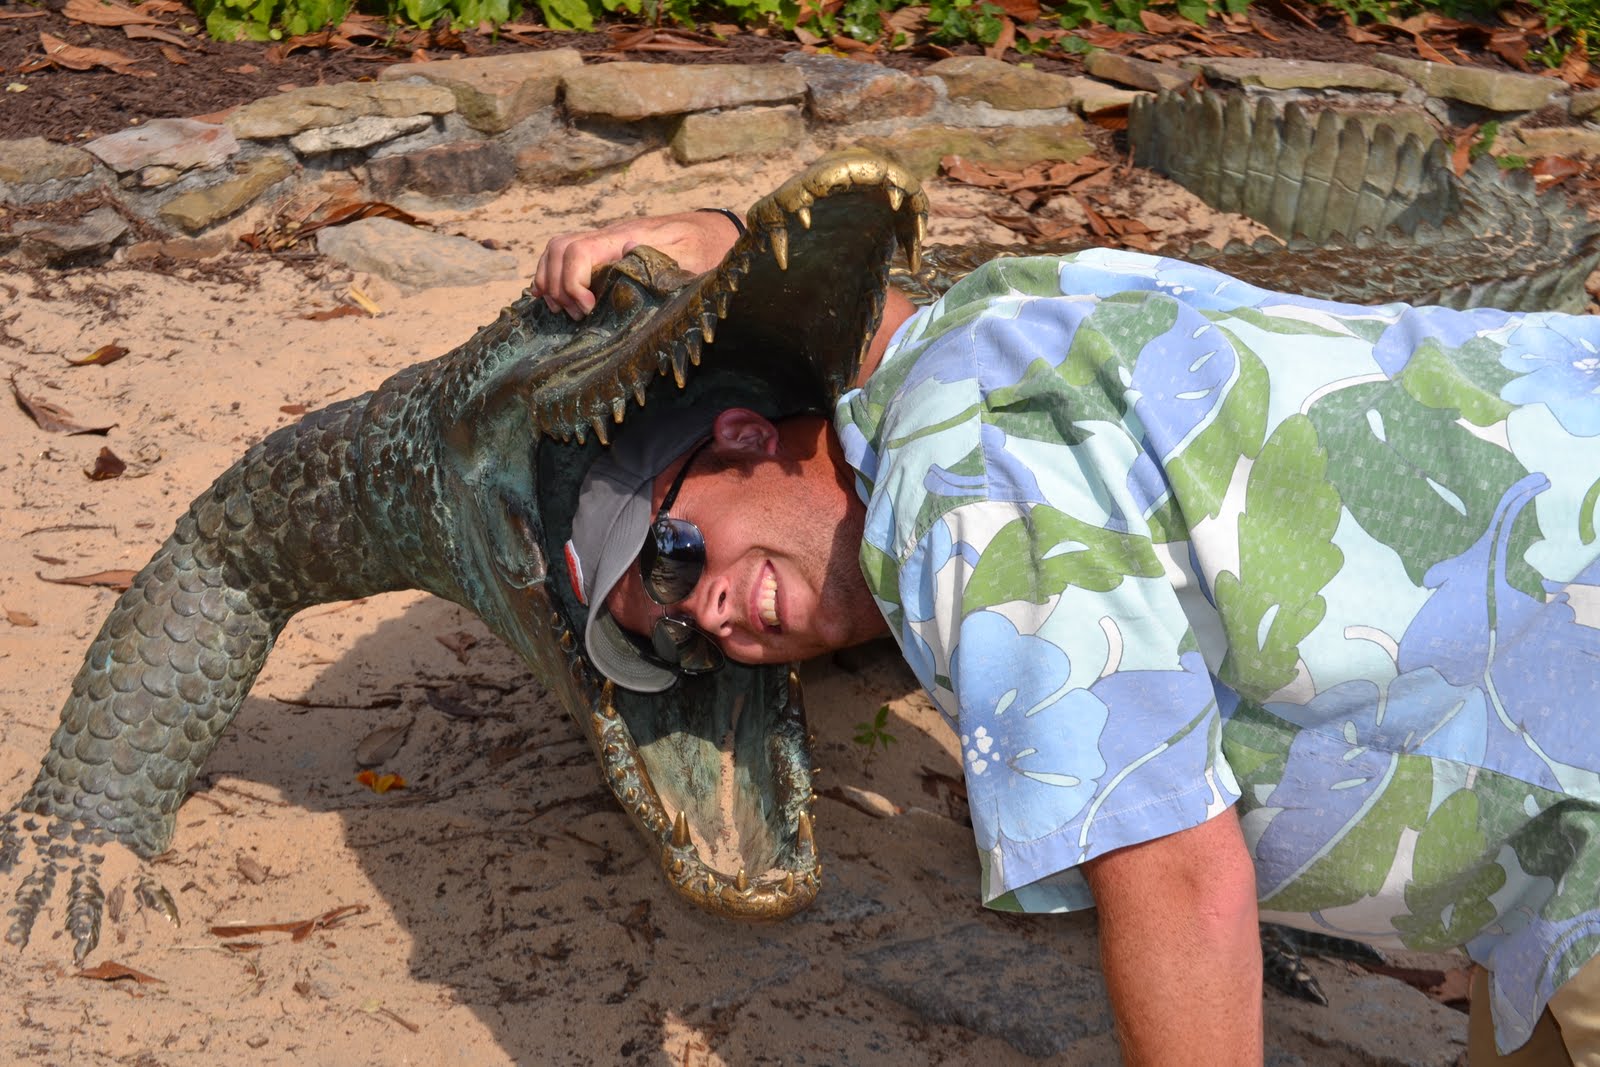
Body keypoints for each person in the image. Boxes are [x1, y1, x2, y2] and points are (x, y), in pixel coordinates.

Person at [534, 210, 1600, 1066]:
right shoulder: (978, 332)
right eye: (676, 635)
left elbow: (1181, 880)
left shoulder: (953, 501)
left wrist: (716, 247)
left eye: (675, 556)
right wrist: (718, 236)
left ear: (743, 433)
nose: (706, 613)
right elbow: (860, 296)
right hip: (1553, 864)